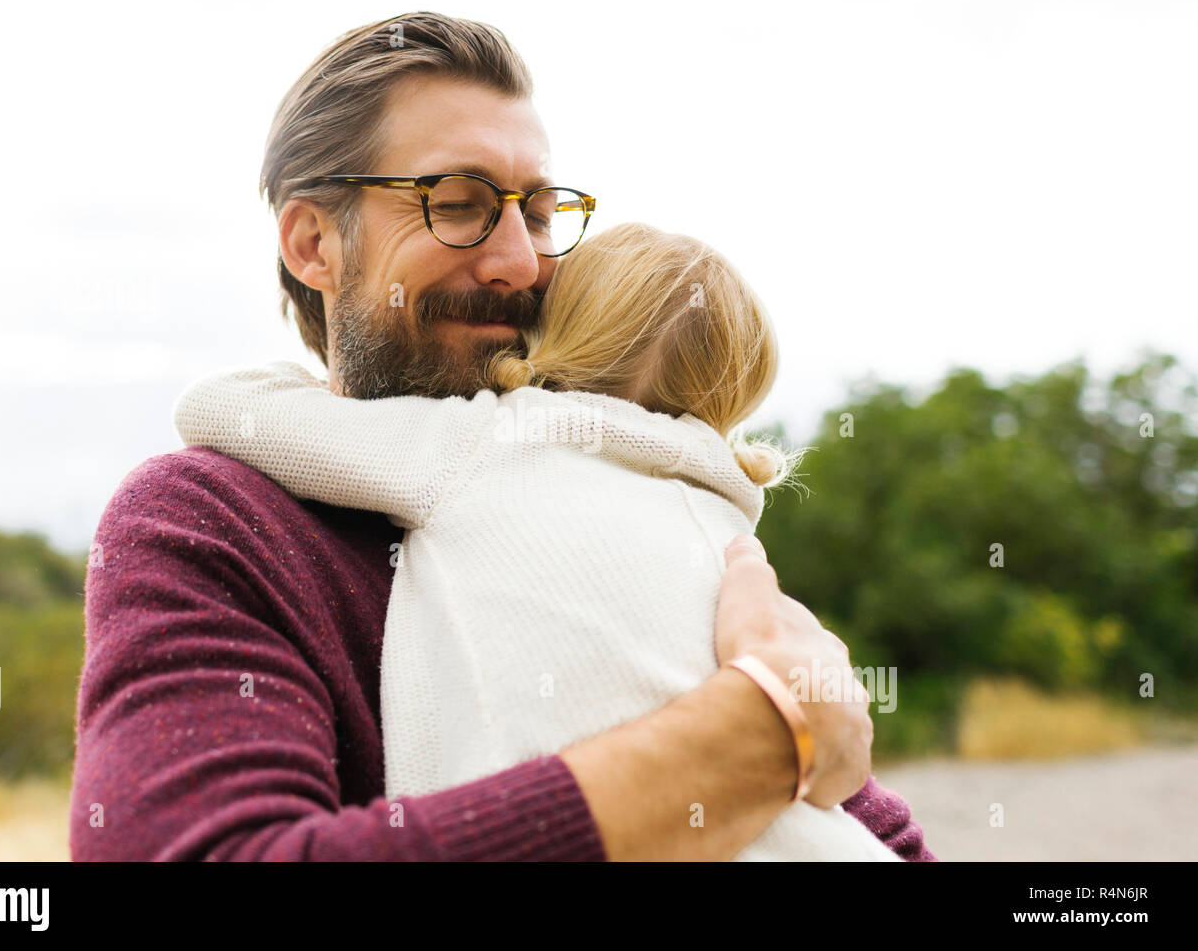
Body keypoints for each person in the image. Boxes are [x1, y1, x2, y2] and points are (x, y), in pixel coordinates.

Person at [69, 10, 934, 861]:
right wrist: (761, 739)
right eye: (457, 205)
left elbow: (879, 835)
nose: (522, 262)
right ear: (313, 243)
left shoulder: (650, 489)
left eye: (542, 213)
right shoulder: (213, 522)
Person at [172, 220, 900, 861]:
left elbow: (221, 410)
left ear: (546, 329)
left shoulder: (481, 441)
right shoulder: (728, 528)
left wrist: (309, 378)